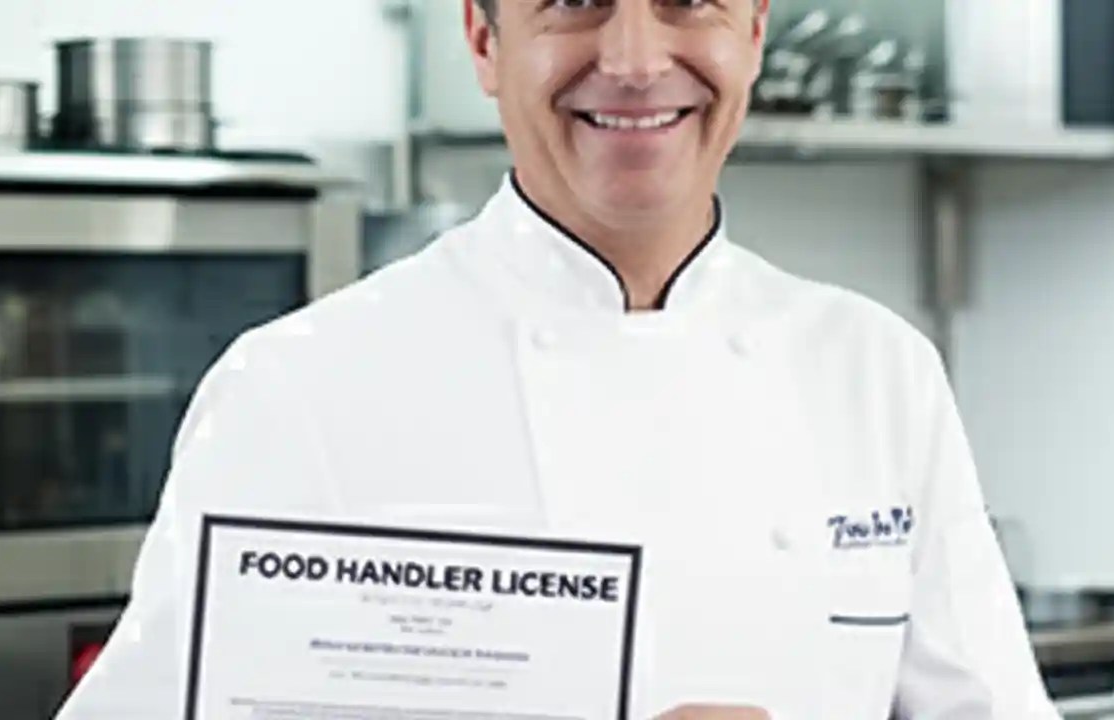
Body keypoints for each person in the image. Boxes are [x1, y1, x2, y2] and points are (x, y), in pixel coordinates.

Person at [56, 1, 1060, 718]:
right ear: (484, 38)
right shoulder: (299, 388)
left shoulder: (878, 372)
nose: (630, 57)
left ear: (753, 28)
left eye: (686, 1)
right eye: (574, 1)